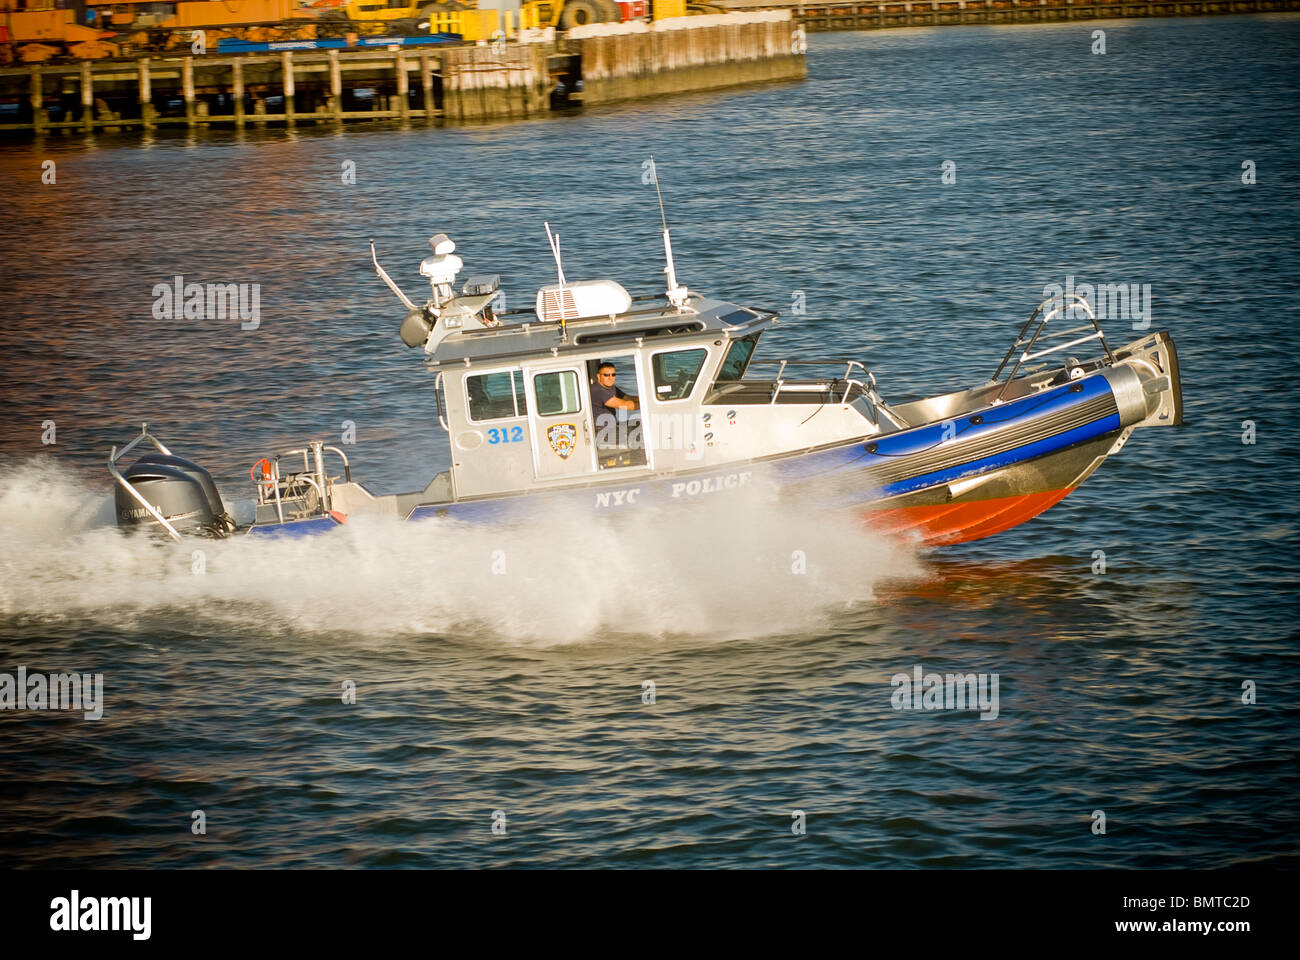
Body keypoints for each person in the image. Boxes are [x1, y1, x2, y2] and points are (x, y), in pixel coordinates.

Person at [590, 362, 637, 442]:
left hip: (613, 426)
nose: (610, 378)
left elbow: (628, 398)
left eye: (613, 375)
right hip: (602, 431)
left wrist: (645, 398)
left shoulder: (611, 387)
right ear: (598, 376)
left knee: (639, 424)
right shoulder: (597, 390)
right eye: (606, 375)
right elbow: (625, 405)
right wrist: (646, 405)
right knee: (638, 433)